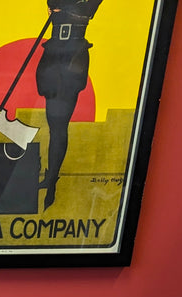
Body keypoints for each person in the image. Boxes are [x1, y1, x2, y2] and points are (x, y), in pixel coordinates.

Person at [36, 1, 104, 209]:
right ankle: (50, 177)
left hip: (72, 59)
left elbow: (86, 9)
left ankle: (52, 181)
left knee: (59, 127)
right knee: (53, 126)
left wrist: (64, 9)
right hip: (53, 57)